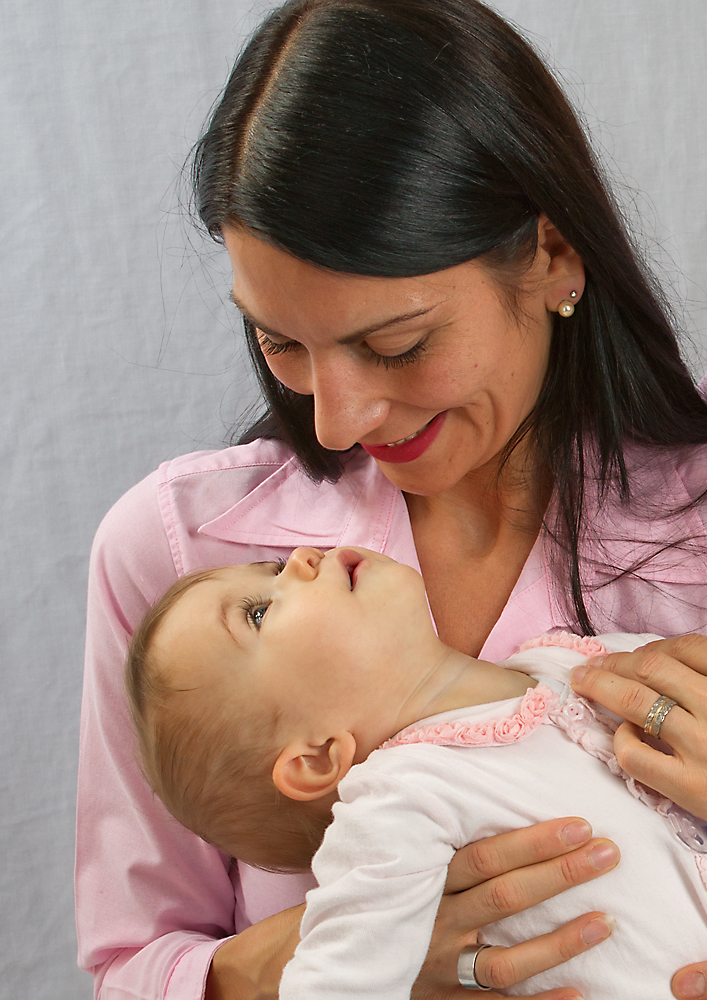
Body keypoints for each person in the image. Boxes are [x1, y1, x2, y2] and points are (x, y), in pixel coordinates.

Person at [75, 0, 707, 998]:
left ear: (549, 256)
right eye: (279, 341)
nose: (333, 421)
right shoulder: (173, 552)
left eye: (394, 343)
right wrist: (332, 949)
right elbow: (130, 963)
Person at [124, 543, 707, 997]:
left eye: (272, 567)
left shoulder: (569, 659)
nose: (300, 559)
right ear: (318, 758)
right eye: (257, 613)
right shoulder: (397, 803)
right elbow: (335, 986)